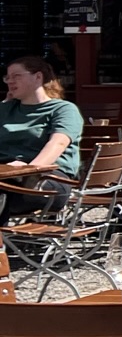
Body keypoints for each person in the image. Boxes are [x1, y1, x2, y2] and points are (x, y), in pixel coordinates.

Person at [0, 55, 84, 217]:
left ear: (38, 77)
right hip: (5, 175)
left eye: (16, 76)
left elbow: (58, 143)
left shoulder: (63, 109)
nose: (10, 81)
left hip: (48, 178)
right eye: (7, 77)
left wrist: (29, 170)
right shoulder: (6, 109)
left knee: (5, 192)